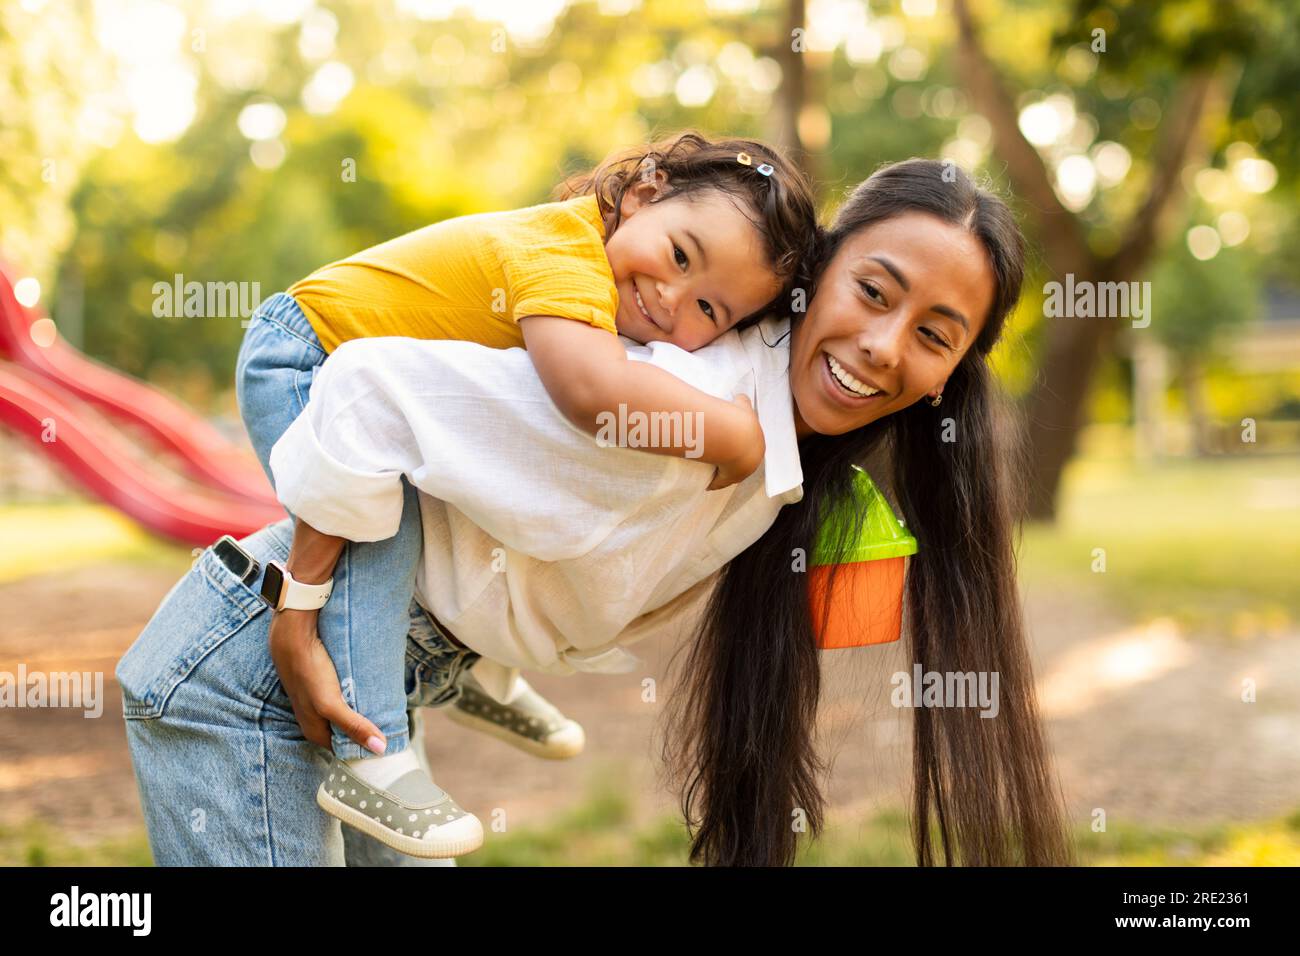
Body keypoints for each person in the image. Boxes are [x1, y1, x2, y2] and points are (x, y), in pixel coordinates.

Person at [118, 158, 1074, 867]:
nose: (880, 345)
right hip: (244, 687)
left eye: (932, 336)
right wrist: (299, 603)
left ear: (952, 377)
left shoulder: (776, 463)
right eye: (873, 291)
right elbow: (369, 388)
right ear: (812, 278)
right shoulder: (662, 401)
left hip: (371, 694)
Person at [233, 129, 817, 857]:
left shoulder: (606, 279)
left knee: (478, 486)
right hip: (304, 354)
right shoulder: (564, 253)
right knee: (380, 541)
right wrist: (736, 437)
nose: (672, 300)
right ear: (643, 194)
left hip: (351, 371)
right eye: (678, 256)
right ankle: (369, 761)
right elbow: (591, 395)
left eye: (710, 311)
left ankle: (469, 671)